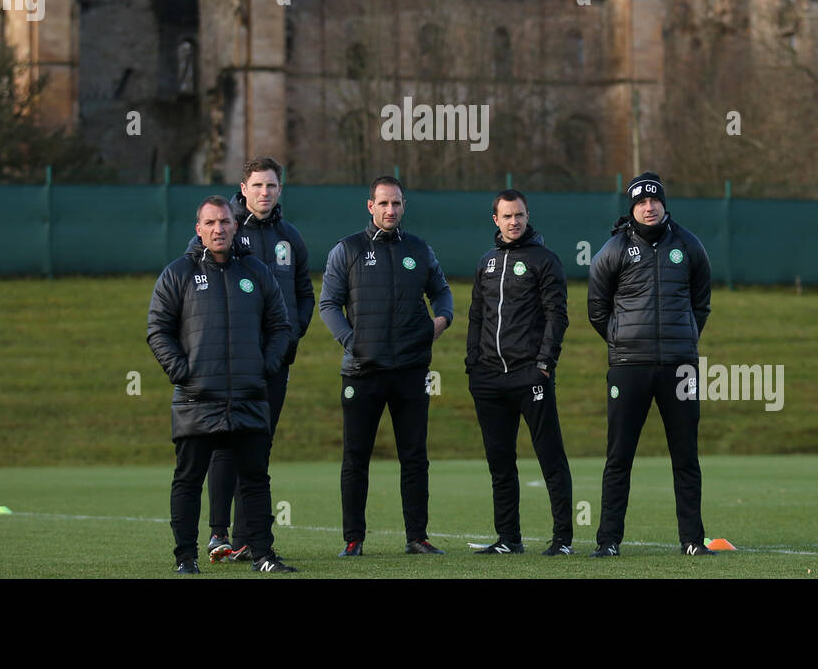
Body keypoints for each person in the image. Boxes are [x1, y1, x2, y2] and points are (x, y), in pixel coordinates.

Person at [147, 195, 296, 574]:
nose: (219, 229)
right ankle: (185, 558)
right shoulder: (177, 273)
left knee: (256, 481)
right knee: (188, 480)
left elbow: (280, 326)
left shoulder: (257, 272)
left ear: (235, 226)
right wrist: (182, 371)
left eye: (225, 222)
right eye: (211, 223)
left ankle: (263, 555)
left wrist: (264, 366)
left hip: (248, 396)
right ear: (198, 229)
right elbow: (158, 330)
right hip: (197, 398)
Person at [319, 175, 454, 557]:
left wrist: (440, 321)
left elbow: (441, 292)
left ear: (403, 206)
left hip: (411, 371)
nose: (390, 210)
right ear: (370, 206)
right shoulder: (347, 250)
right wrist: (352, 341)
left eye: (396, 204)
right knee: (356, 456)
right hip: (362, 373)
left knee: (414, 456)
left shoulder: (419, 249)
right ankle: (353, 539)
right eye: (383, 204)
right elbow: (328, 304)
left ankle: (417, 537)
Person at [586, 172, 715, 558]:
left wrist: (686, 338)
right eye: (641, 202)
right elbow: (596, 309)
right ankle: (608, 541)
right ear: (632, 207)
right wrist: (623, 339)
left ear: (663, 203)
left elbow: (701, 303)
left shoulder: (690, 246)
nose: (648, 207)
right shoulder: (613, 250)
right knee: (619, 455)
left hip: (680, 369)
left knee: (686, 456)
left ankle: (692, 540)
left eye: (654, 200)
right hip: (629, 366)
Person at [204, 157, 314, 563]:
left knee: (258, 448)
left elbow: (305, 293)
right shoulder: (225, 228)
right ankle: (219, 534)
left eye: (271, 186)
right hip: (231, 361)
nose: (264, 193)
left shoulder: (290, 238)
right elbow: (196, 276)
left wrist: (291, 335)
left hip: (274, 362)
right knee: (223, 443)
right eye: (257, 186)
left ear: (279, 189)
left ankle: (247, 538)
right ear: (243, 188)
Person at [465, 188, 574, 555]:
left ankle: (562, 539)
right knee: (500, 463)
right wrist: (472, 366)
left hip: (530, 376)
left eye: (520, 215)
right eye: (507, 216)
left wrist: (544, 365)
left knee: (550, 457)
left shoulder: (545, 260)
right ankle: (509, 538)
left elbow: (557, 316)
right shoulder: (486, 262)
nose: (514, 222)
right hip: (489, 379)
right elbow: (476, 317)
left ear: (528, 217)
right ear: (495, 219)